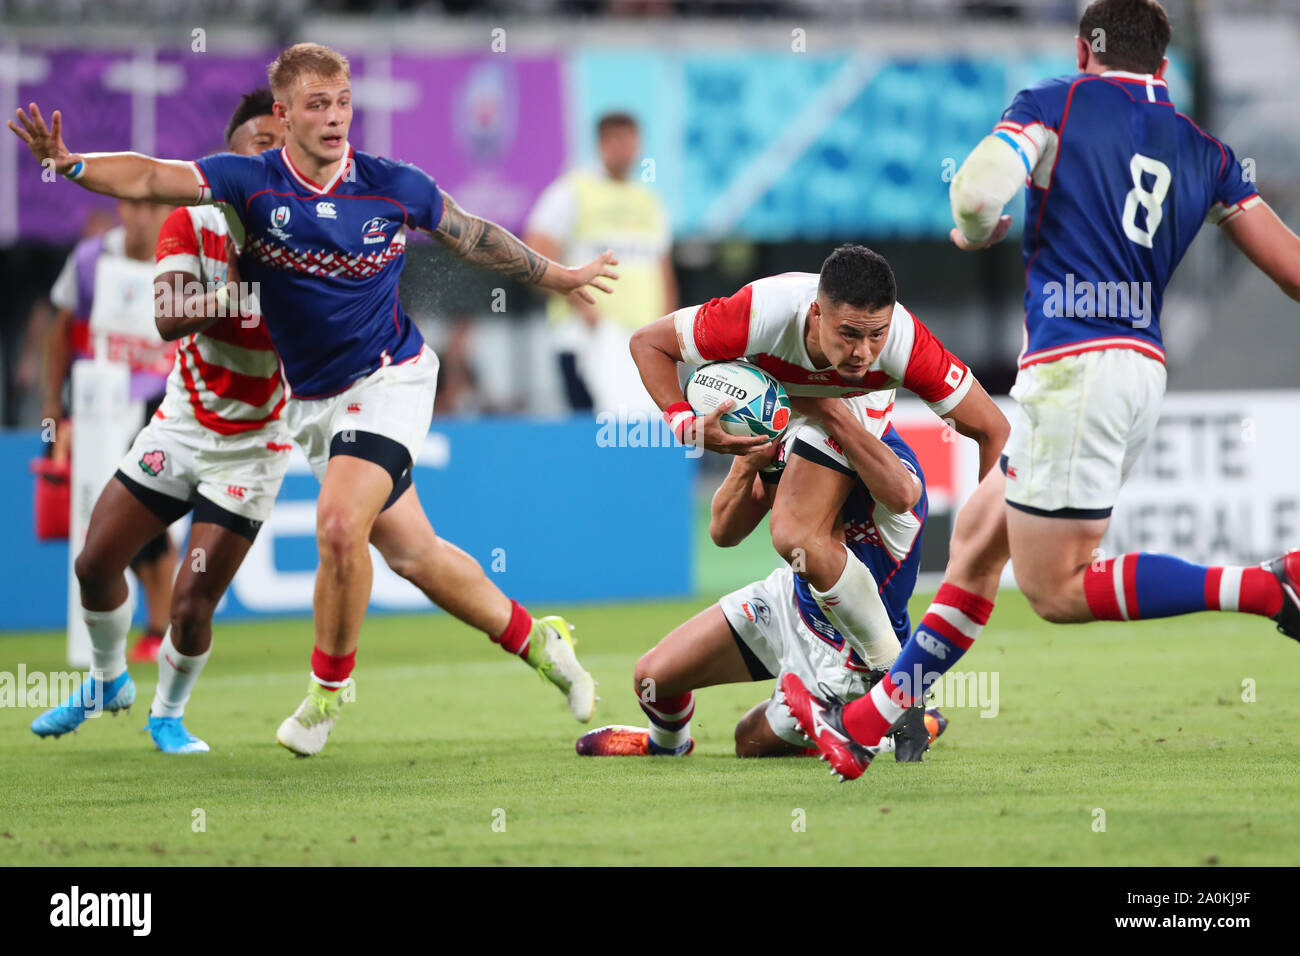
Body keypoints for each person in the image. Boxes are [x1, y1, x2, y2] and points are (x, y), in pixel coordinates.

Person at [10, 41, 619, 757]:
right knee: (415, 555)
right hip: (311, 405)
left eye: (342, 103)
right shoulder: (250, 183)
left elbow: (473, 235)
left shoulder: (394, 184)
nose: (334, 118)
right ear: (285, 113)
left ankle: (325, 696)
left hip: (390, 378)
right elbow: (148, 175)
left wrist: (559, 277)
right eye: (316, 105)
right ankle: (539, 640)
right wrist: (70, 162)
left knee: (337, 524)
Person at [783, 0, 1300, 781]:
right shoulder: (1209, 151)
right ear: (1163, 64)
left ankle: (1268, 586)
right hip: (1137, 368)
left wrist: (978, 227)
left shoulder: (1054, 101)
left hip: (1073, 368)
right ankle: (865, 723)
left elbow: (977, 192)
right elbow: (1292, 271)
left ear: (1083, 47)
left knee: (1056, 588)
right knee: (976, 552)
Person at [29, 88, 290, 753]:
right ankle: (108, 680)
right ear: (231, 162)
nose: (277, 157)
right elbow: (169, 316)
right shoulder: (188, 221)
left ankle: (168, 715)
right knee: (94, 561)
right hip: (180, 426)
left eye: (284, 147)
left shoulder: (305, 241)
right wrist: (246, 284)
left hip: (252, 446)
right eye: (263, 144)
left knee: (191, 600)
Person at [630, 244, 1009, 681]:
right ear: (815, 315)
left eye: (875, 335)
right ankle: (882, 680)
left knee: (794, 531)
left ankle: (887, 674)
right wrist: (686, 426)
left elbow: (992, 431)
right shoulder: (757, 315)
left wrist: (988, 545)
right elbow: (647, 343)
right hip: (782, 419)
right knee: (699, 707)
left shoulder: (904, 344)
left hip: (851, 412)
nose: (863, 352)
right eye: (848, 333)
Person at [577, 391, 947, 760]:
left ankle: (877, 721)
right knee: (651, 678)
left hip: (851, 649)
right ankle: (666, 745)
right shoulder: (797, 443)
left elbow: (901, 496)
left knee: (748, 741)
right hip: (792, 601)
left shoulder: (888, 460)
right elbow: (723, 532)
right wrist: (748, 462)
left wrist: (829, 417)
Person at [46, 199, 179, 662]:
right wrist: (54, 410)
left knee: (144, 518)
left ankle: (160, 627)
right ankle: (152, 626)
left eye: (154, 207)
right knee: (110, 518)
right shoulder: (89, 260)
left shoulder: (180, 260)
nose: (143, 216)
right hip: (96, 402)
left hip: (159, 401)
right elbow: (59, 332)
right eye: (135, 205)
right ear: (122, 207)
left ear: (166, 212)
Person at [524, 111, 675, 415]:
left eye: (631, 141)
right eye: (617, 140)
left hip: (642, 339)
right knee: (598, 432)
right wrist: (582, 305)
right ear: (601, 144)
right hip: (588, 335)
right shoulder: (571, 191)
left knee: (645, 431)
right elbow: (535, 252)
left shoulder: (649, 200)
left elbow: (662, 268)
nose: (625, 149)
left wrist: (670, 324)